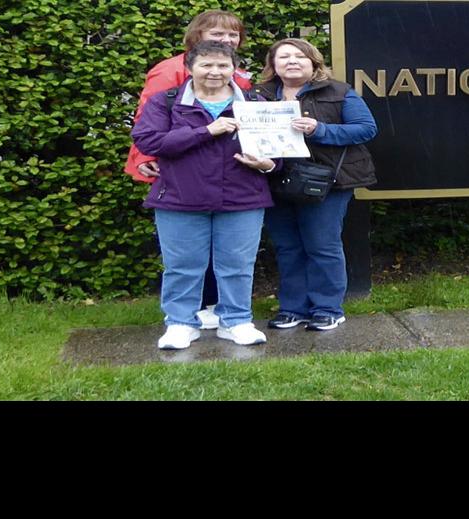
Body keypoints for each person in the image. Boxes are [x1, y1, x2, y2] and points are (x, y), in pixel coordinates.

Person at [131, 41, 280, 350]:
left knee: (238, 263)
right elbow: (148, 140)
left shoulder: (255, 101)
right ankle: (180, 324)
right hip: (180, 198)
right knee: (183, 265)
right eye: (206, 65)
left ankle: (236, 321)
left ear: (234, 69)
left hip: (243, 197)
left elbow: (278, 148)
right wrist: (207, 131)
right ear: (190, 68)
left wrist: (269, 164)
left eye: (223, 65)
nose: (215, 72)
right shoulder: (167, 102)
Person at [124, 9, 252, 331]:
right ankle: (188, 315)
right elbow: (148, 121)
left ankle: (217, 310)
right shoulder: (169, 70)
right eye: (218, 34)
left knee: (229, 254)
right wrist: (143, 156)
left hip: (233, 180)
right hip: (182, 171)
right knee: (187, 252)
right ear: (196, 38)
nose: (226, 40)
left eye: (232, 35)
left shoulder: (241, 76)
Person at [255, 38, 378, 331]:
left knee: (322, 245)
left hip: (325, 182)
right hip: (274, 178)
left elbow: (366, 129)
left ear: (314, 62)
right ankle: (292, 308)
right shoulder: (257, 96)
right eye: (284, 57)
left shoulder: (339, 91)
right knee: (287, 247)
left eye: (300, 56)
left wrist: (319, 129)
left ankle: (327, 308)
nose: (292, 61)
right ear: (273, 65)